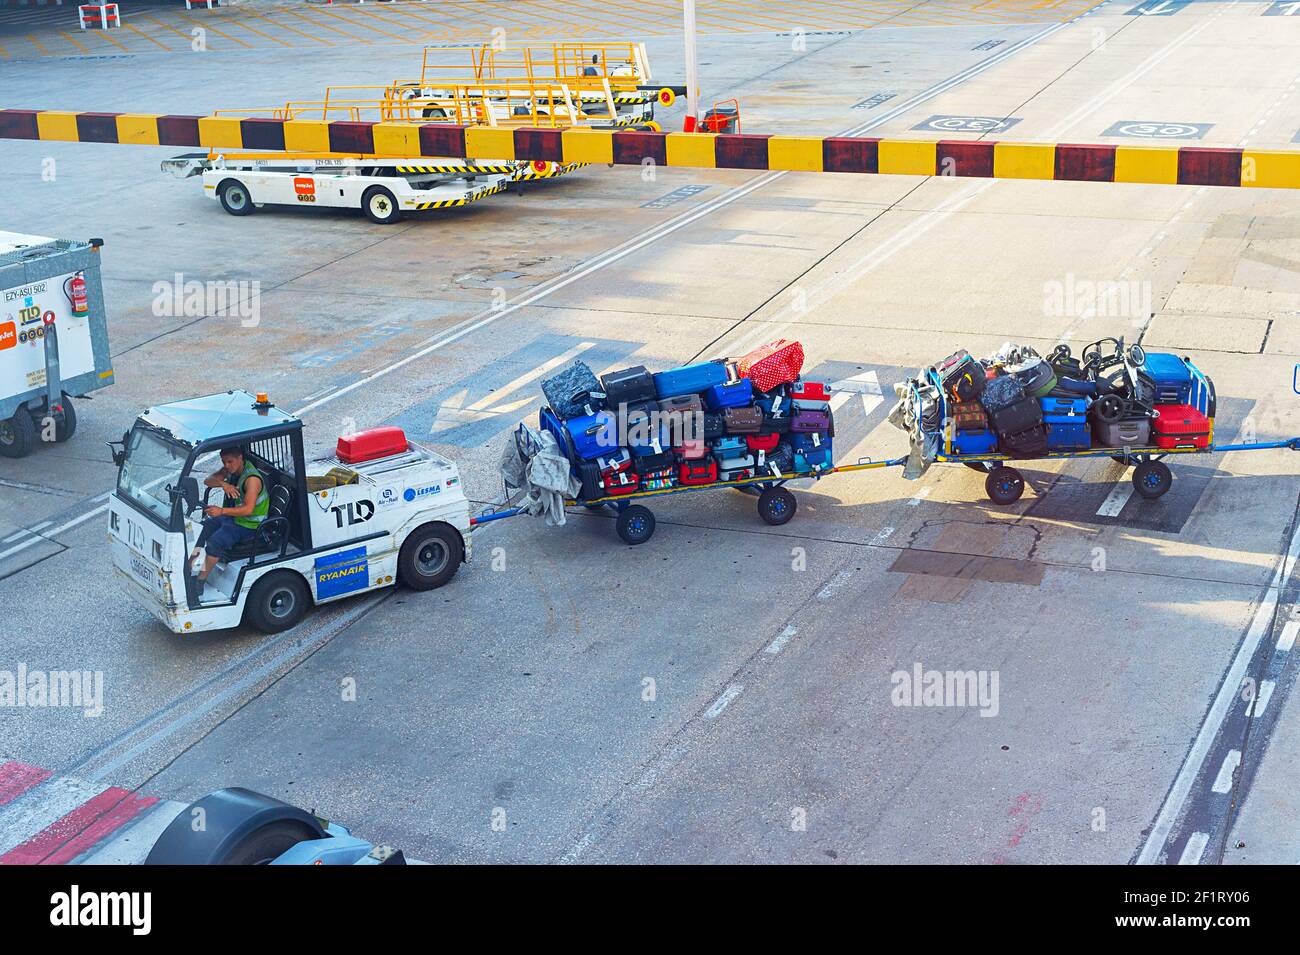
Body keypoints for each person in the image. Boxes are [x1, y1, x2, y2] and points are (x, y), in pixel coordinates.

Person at [189, 446, 268, 584]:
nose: (226, 465)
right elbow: (208, 481)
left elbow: (248, 510)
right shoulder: (230, 469)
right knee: (202, 529)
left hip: (250, 525)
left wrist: (221, 511)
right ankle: (187, 569)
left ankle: (199, 583)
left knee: (216, 542)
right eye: (223, 462)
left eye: (230, 461)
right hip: (235, 518)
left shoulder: (252, 480)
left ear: (240, 458)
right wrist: (223, 484)